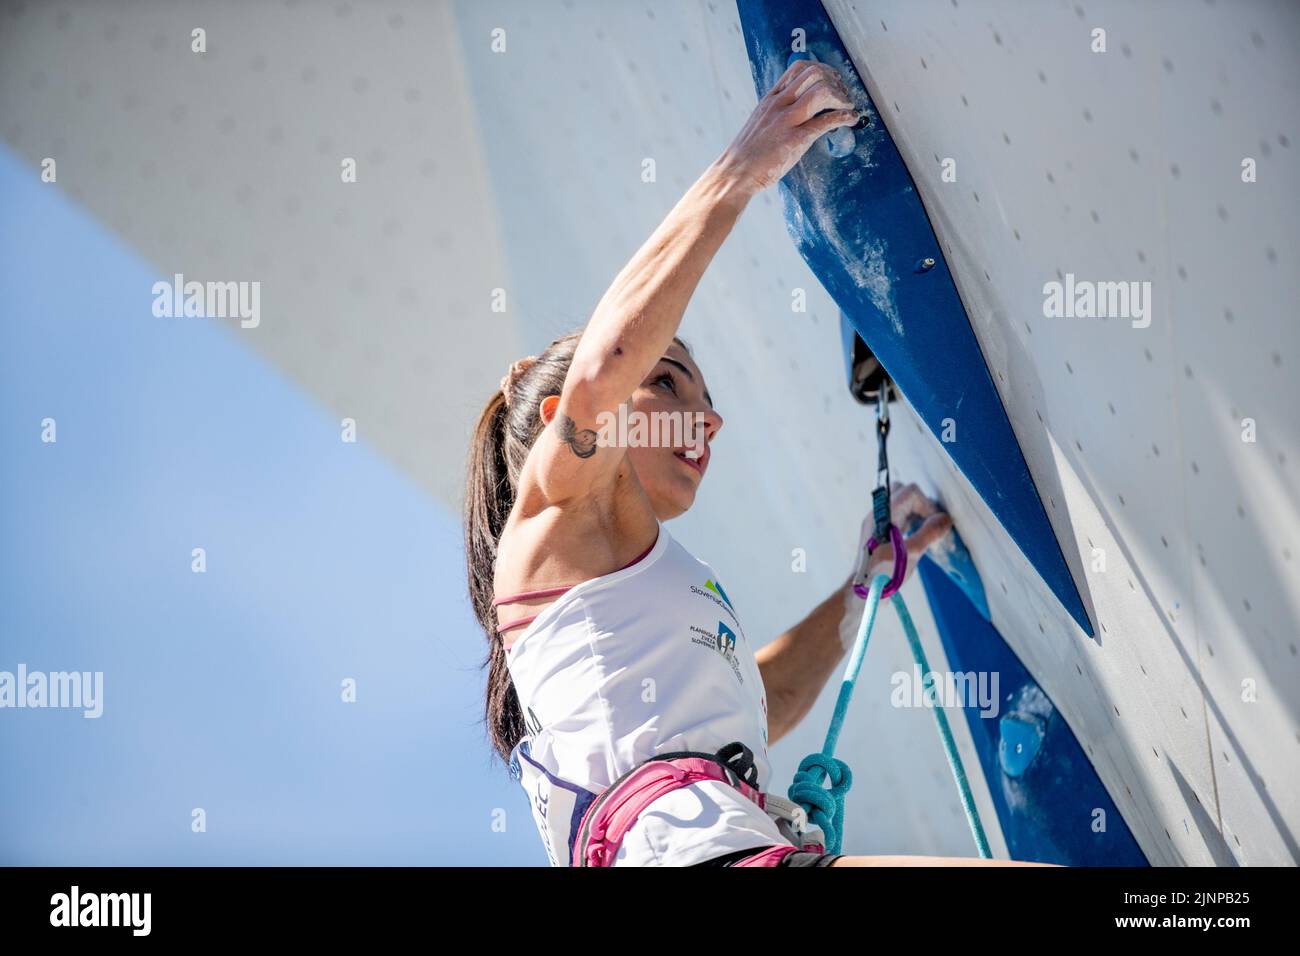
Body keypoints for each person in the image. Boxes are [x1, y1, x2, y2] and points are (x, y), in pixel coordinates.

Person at [464, 59, 1048, 867]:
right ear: (566, 422)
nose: (707, 417)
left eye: (704, 396)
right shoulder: (551, 528)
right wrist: (743, 168)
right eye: (667, 381)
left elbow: (766, 697)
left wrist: (860, 585)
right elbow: (601, 372)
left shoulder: (627, 618)